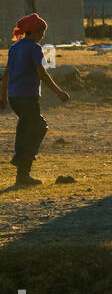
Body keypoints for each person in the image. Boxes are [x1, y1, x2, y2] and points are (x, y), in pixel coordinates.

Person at [0, 13, 71, 187]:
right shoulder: (34, 48)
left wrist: (3, 96)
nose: (43, 35)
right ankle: (22, 171)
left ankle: (22, 168)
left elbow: (7, 74)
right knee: (36, 128)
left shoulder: (15, 48)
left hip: (15, 97)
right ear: (33, 31)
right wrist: (59, 92)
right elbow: (42, 73)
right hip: (27, 97)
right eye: (41, 31)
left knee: (31, 128)